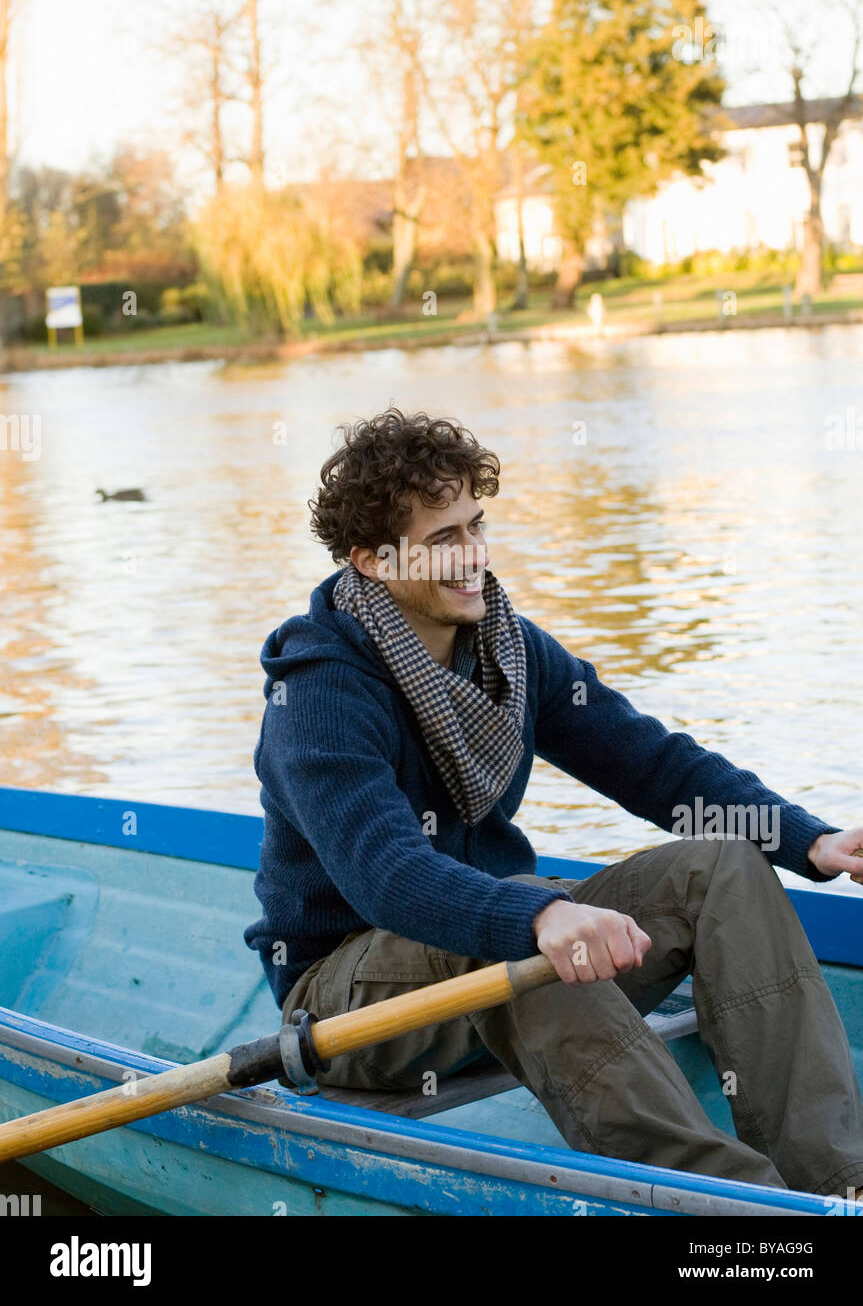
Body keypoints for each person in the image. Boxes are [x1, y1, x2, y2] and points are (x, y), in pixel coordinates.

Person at [244, 407, 863, 1198]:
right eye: (442, 540)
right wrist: (533, 919)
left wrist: (806, 840)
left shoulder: (507, 646)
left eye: (476, 525)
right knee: (524, 923)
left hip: (496, 947)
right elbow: (385, 874)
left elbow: (653, 766)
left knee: (718, 869)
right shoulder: (320, 692)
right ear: (369, 560)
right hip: (345, 1008)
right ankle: (728, 1208)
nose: (473, 557)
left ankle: (834, 1187)